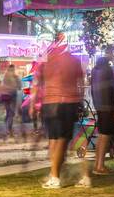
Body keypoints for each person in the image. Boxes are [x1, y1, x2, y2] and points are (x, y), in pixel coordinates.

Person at [34, 34, 85, 189]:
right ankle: (55, 175)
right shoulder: (74, 60)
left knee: (54, 139)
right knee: (62, 140)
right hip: (68, 102)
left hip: (50, 102)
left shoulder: (46, 57)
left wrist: (33, 103)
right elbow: (81, 83)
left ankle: (54, 174)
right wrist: (80, 101)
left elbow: (37, 81)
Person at [89, 46, 114, 175]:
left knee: (102, 135)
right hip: (108, 107)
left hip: (99, 106)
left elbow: (92, 90)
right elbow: (112, 91)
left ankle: (98, 164)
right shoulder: (108, 69)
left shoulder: (95, 70)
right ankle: (100, 166)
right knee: (105, 136)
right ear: (109, 53)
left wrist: (96, 105)